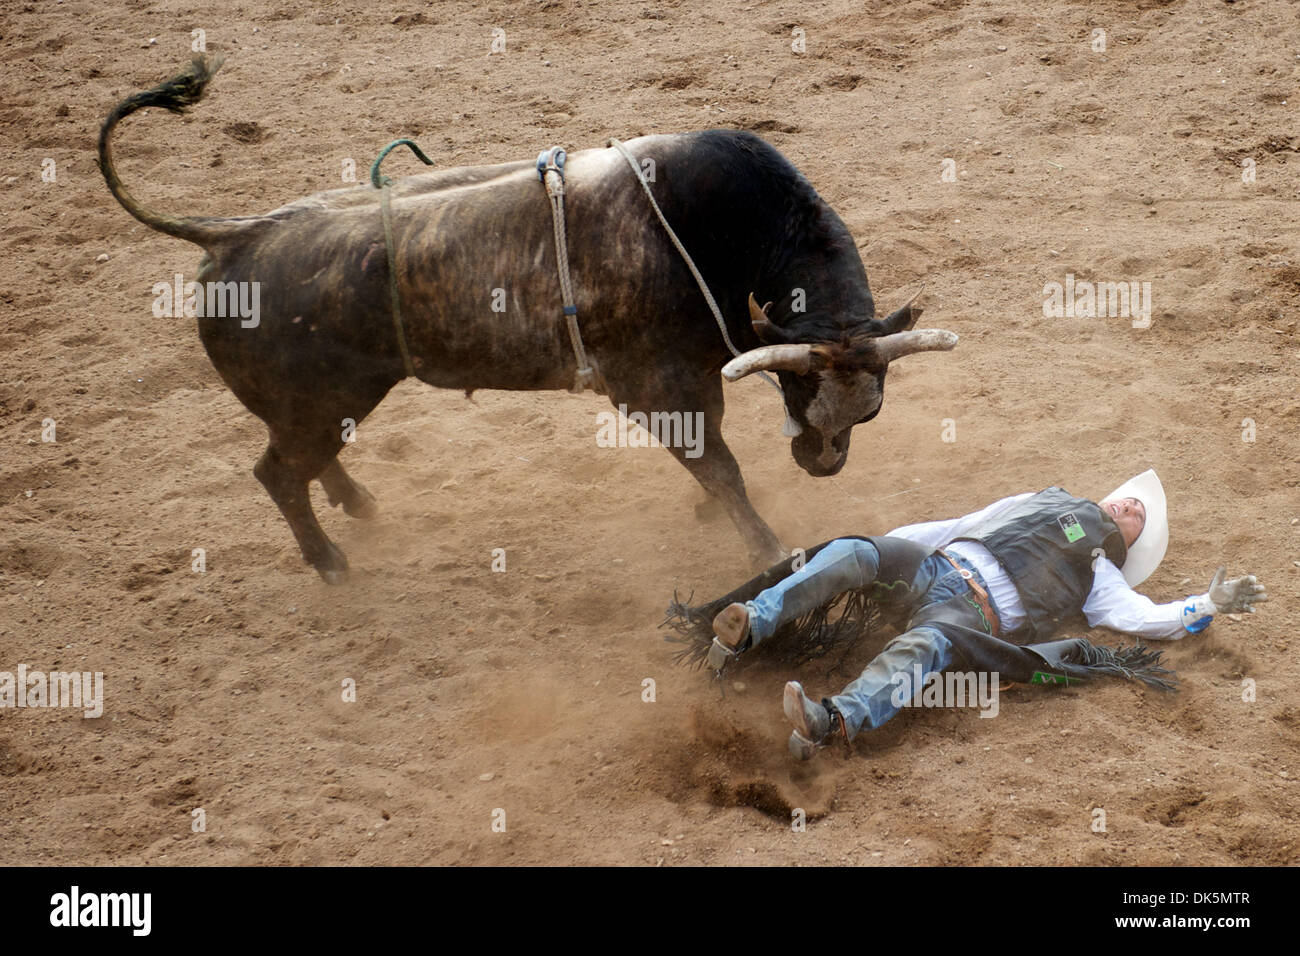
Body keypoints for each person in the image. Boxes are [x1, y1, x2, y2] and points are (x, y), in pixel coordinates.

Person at [704, 471, 1268, 759]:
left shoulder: (1102, 575)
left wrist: (1207, 604)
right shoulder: (1043, 499)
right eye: (1128, 499)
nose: (1127, 504)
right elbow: (965, 522)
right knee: (853, 552)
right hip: (933, 565)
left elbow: (1147, 618)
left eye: (1137, 515)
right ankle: (753, 620)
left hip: (969, 612)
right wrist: (884, 548)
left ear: (1132, 544)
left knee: (927, 646)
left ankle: (831, 720)